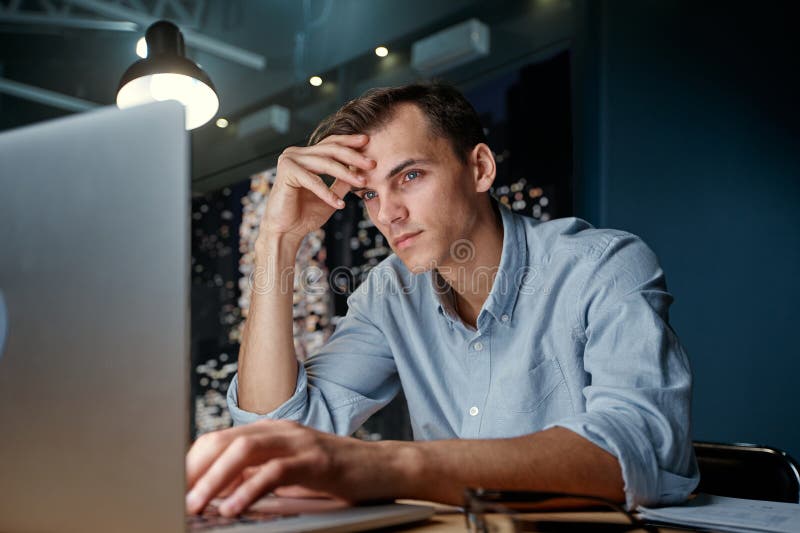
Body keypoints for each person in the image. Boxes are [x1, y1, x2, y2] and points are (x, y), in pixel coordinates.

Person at [185, 83, 698, 517]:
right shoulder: (388, 294)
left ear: (479, 168)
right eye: (368, 194)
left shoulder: (603, 265)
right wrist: (277, 241)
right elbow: (275, 438)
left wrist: (391, 467)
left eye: (409, 176)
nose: (387, 213)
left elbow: (642, 450)